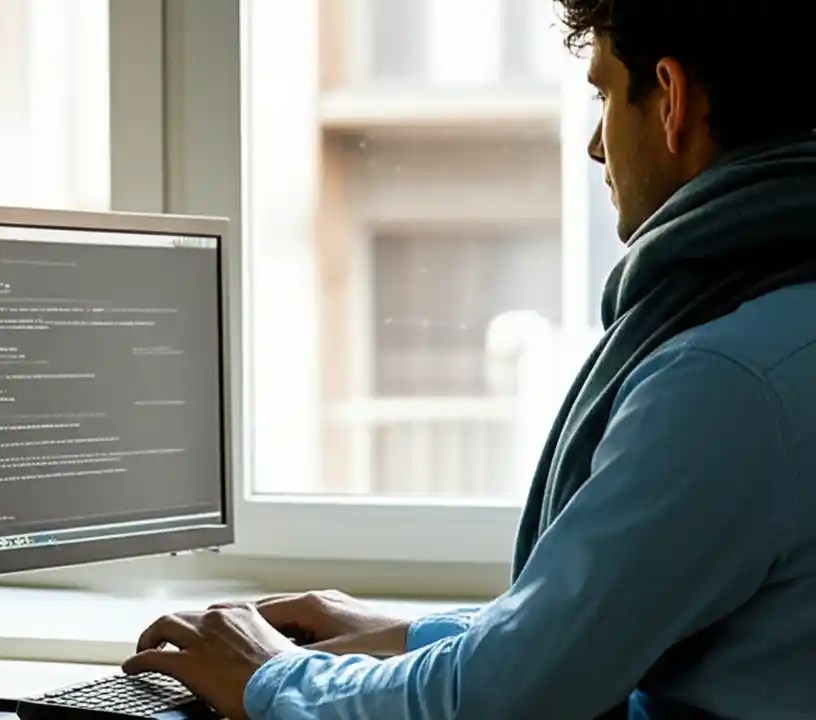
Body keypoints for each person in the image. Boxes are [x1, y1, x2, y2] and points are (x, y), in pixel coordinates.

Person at [121, 2, 816, 718]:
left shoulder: (723, 387)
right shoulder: (784, 323)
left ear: (669, 99)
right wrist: (406, 633)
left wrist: (269, 677)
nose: (596, 147)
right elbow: (591, 639)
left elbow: (503, 700)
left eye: (604, 93)